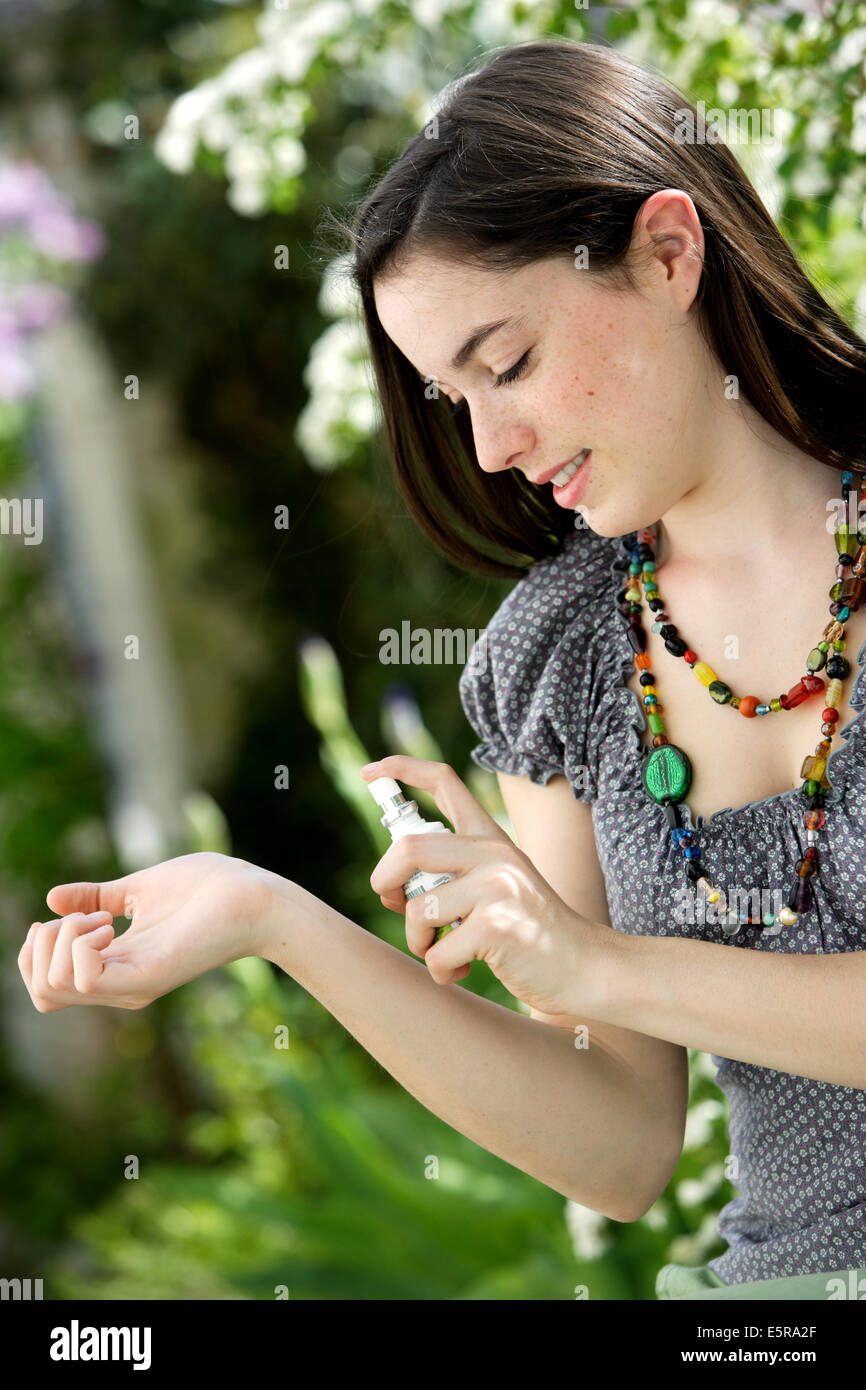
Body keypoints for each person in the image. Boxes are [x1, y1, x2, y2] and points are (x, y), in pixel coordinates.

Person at [18, 38, 866, 1300]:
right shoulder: (567, 655)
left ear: (668, 253)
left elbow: (603, 980)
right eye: (446, 396)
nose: (491, 443)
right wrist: (274, 918)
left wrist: (596, 960)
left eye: (506, 363)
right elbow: (619, 1146)